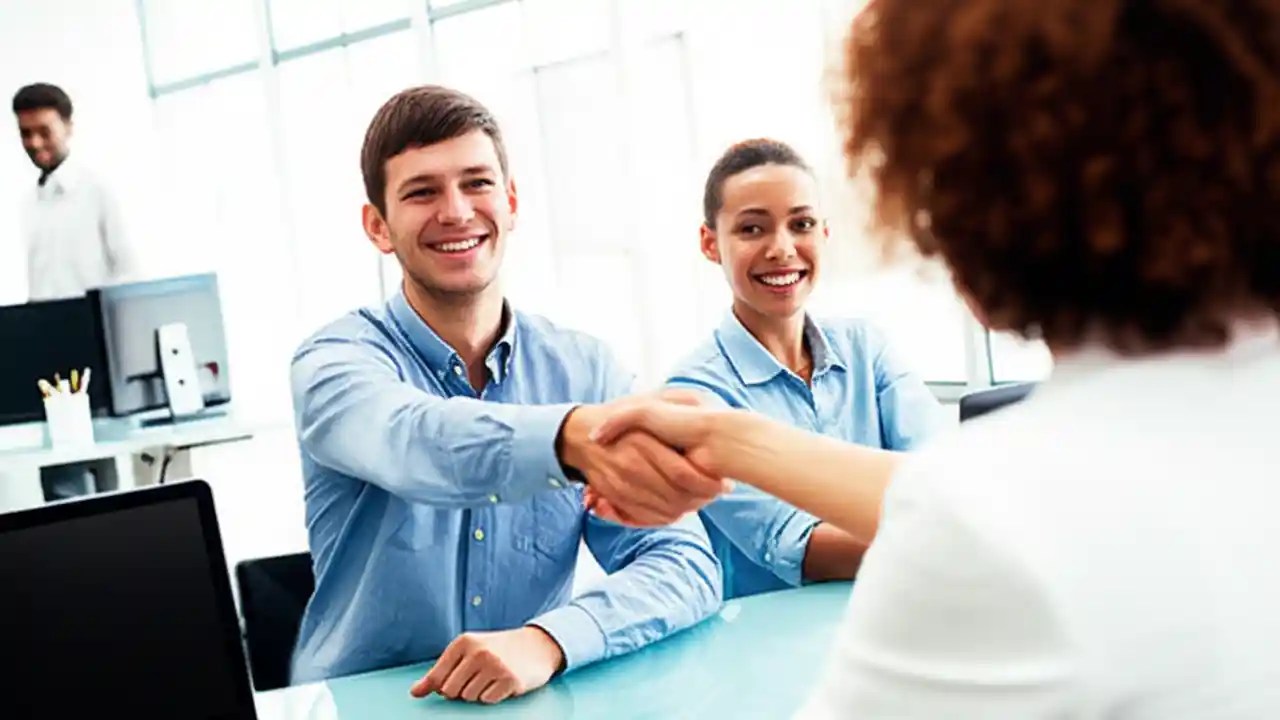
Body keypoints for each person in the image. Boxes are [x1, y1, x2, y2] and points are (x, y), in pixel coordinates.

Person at [589, 0, 1280, 716]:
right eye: (753, 228)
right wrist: (728, 438)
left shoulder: (982, 527)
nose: (781, 248)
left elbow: (952, 505)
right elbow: (935, 489)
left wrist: (730, 444)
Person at [288, 85, 727, 705]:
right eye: (421, 192)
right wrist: (572, 439)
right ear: (378, 227)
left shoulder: (587, 370)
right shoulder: (334, 364)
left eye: (477, 183)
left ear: (512, 201)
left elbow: (683, 562)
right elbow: (419, 441)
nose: (457, 211)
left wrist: (548, 639)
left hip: (524, 703)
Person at [664, 138, 944, 598]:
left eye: (802, 224)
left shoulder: (866, 350)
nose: (782, 249)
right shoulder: (694, 395)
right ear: (710, 243)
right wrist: (940, 541)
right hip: (770, 646)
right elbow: (798, 547)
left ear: (824, 234)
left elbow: (939, 480)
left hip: (901, 611)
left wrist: (948, 529)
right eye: (752, 229)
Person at [13, 82, 136, 302]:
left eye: (45, 132)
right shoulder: (29, 202)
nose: (35, 143)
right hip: (43, 327)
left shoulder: (99, 189)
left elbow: (131, 272)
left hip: (94, 325)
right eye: (26, 133)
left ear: (68, 127)